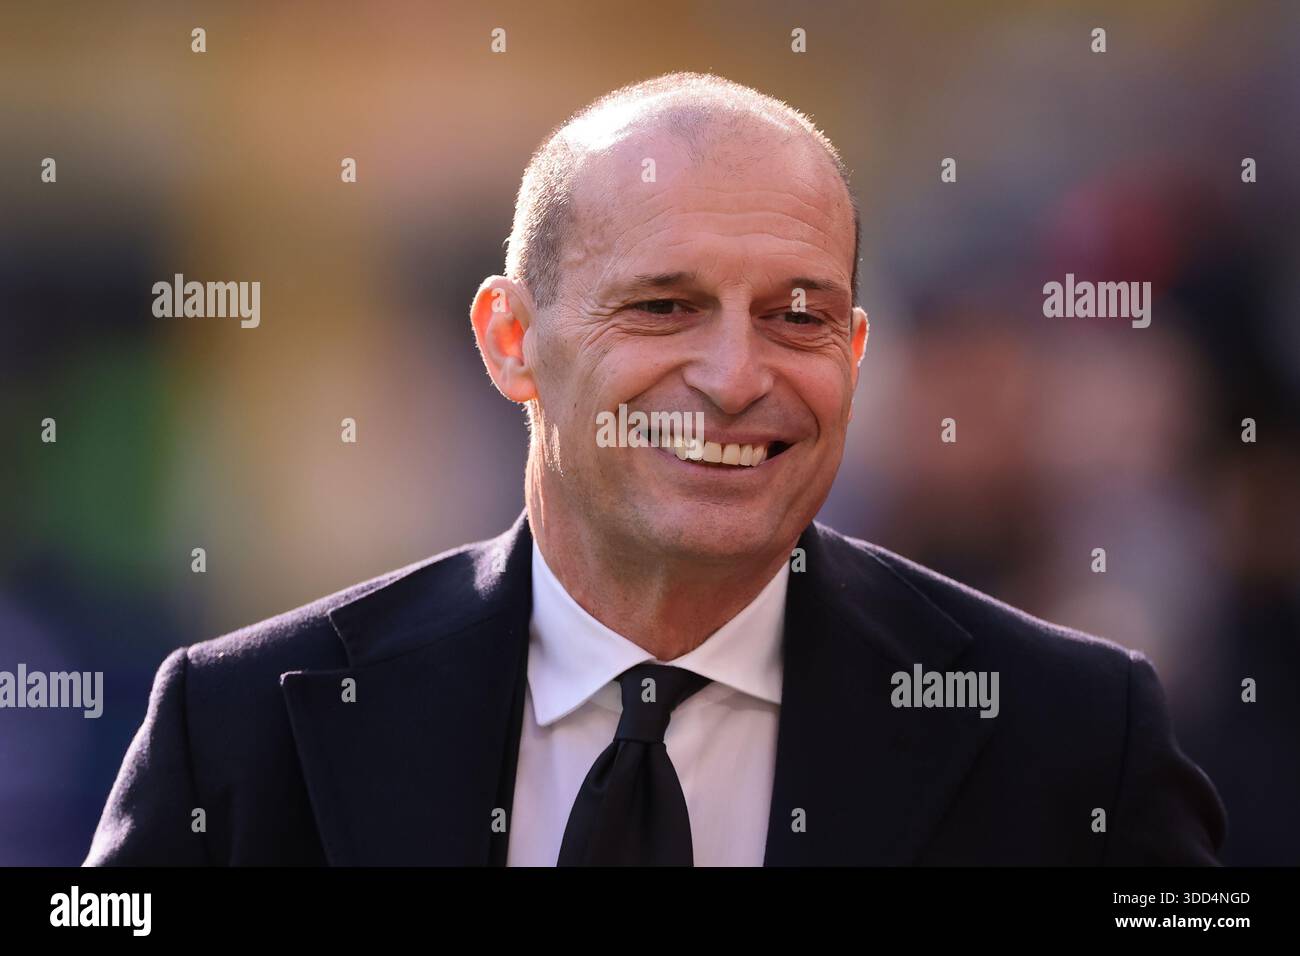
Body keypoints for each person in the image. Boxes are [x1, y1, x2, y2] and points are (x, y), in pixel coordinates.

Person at [85, 72, 1224, 866]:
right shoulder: (243, 728)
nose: (735, 375)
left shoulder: (1072, 736)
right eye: (664, 306)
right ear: (510, 339)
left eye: (796, 314)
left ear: (857, 355)